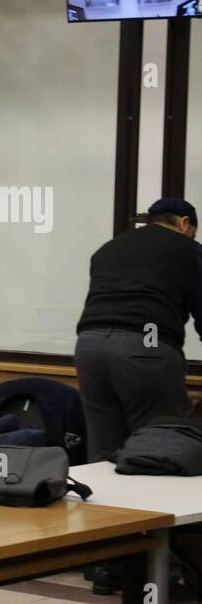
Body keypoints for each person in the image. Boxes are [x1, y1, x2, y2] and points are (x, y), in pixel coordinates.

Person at [75, 197, 202, 463]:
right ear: (184, 223)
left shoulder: (108, 249)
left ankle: (103, 505)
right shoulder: (187, 248)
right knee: (159, 450)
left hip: (89, 346)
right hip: (147, 343)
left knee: (103, 454)